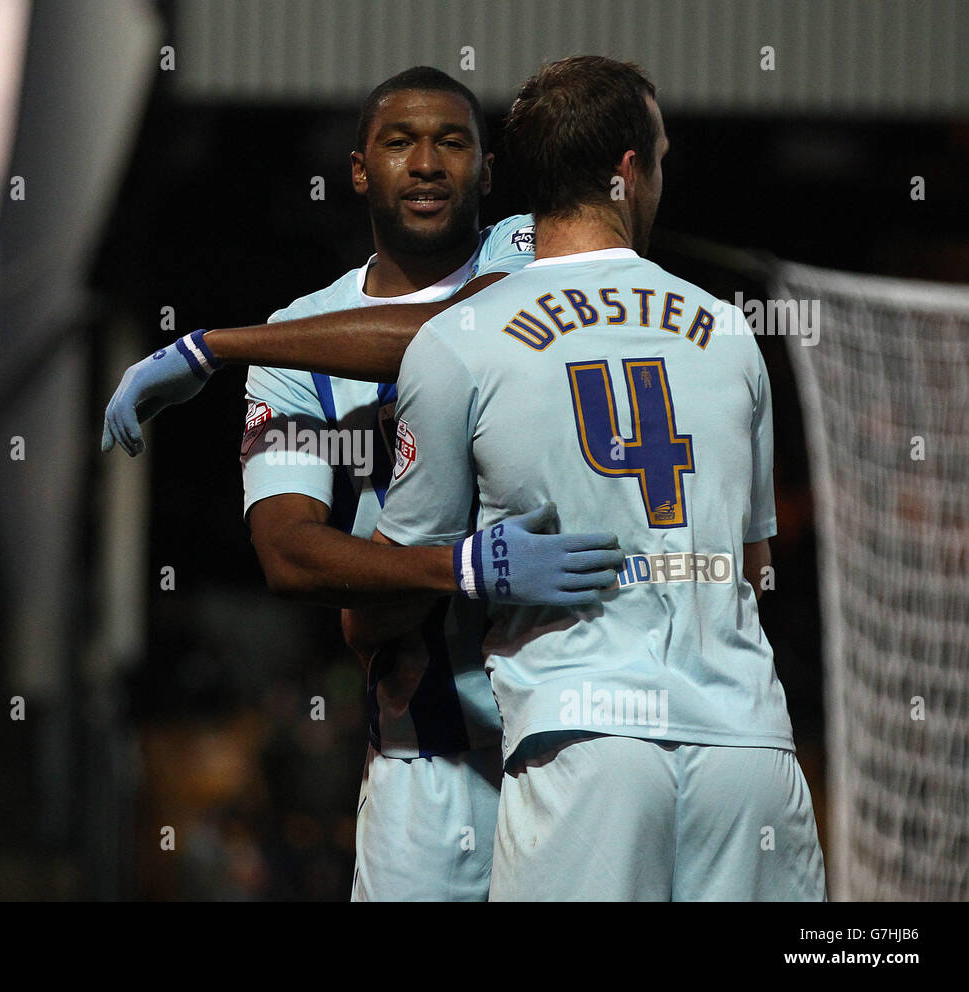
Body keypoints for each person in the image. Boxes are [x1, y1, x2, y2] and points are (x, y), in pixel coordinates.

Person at [109, 66, 624, 900]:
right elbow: (289, 555)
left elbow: (454, 334)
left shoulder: (529, 254)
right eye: (399, 142)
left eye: (452, 143)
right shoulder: (294, 343)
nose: (425, 163)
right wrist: (461, 569)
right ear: (358, 169)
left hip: (577, 738)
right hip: (423, 763)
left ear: (487, 172)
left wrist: (215, 346)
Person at [346, 55, 827, 900]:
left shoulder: (459, 341)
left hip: (583, 745)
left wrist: (445, 573)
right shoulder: (727, 332)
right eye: (662, 159)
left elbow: (384, 605)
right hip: (746, 749)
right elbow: (753, 572)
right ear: (628, 172)